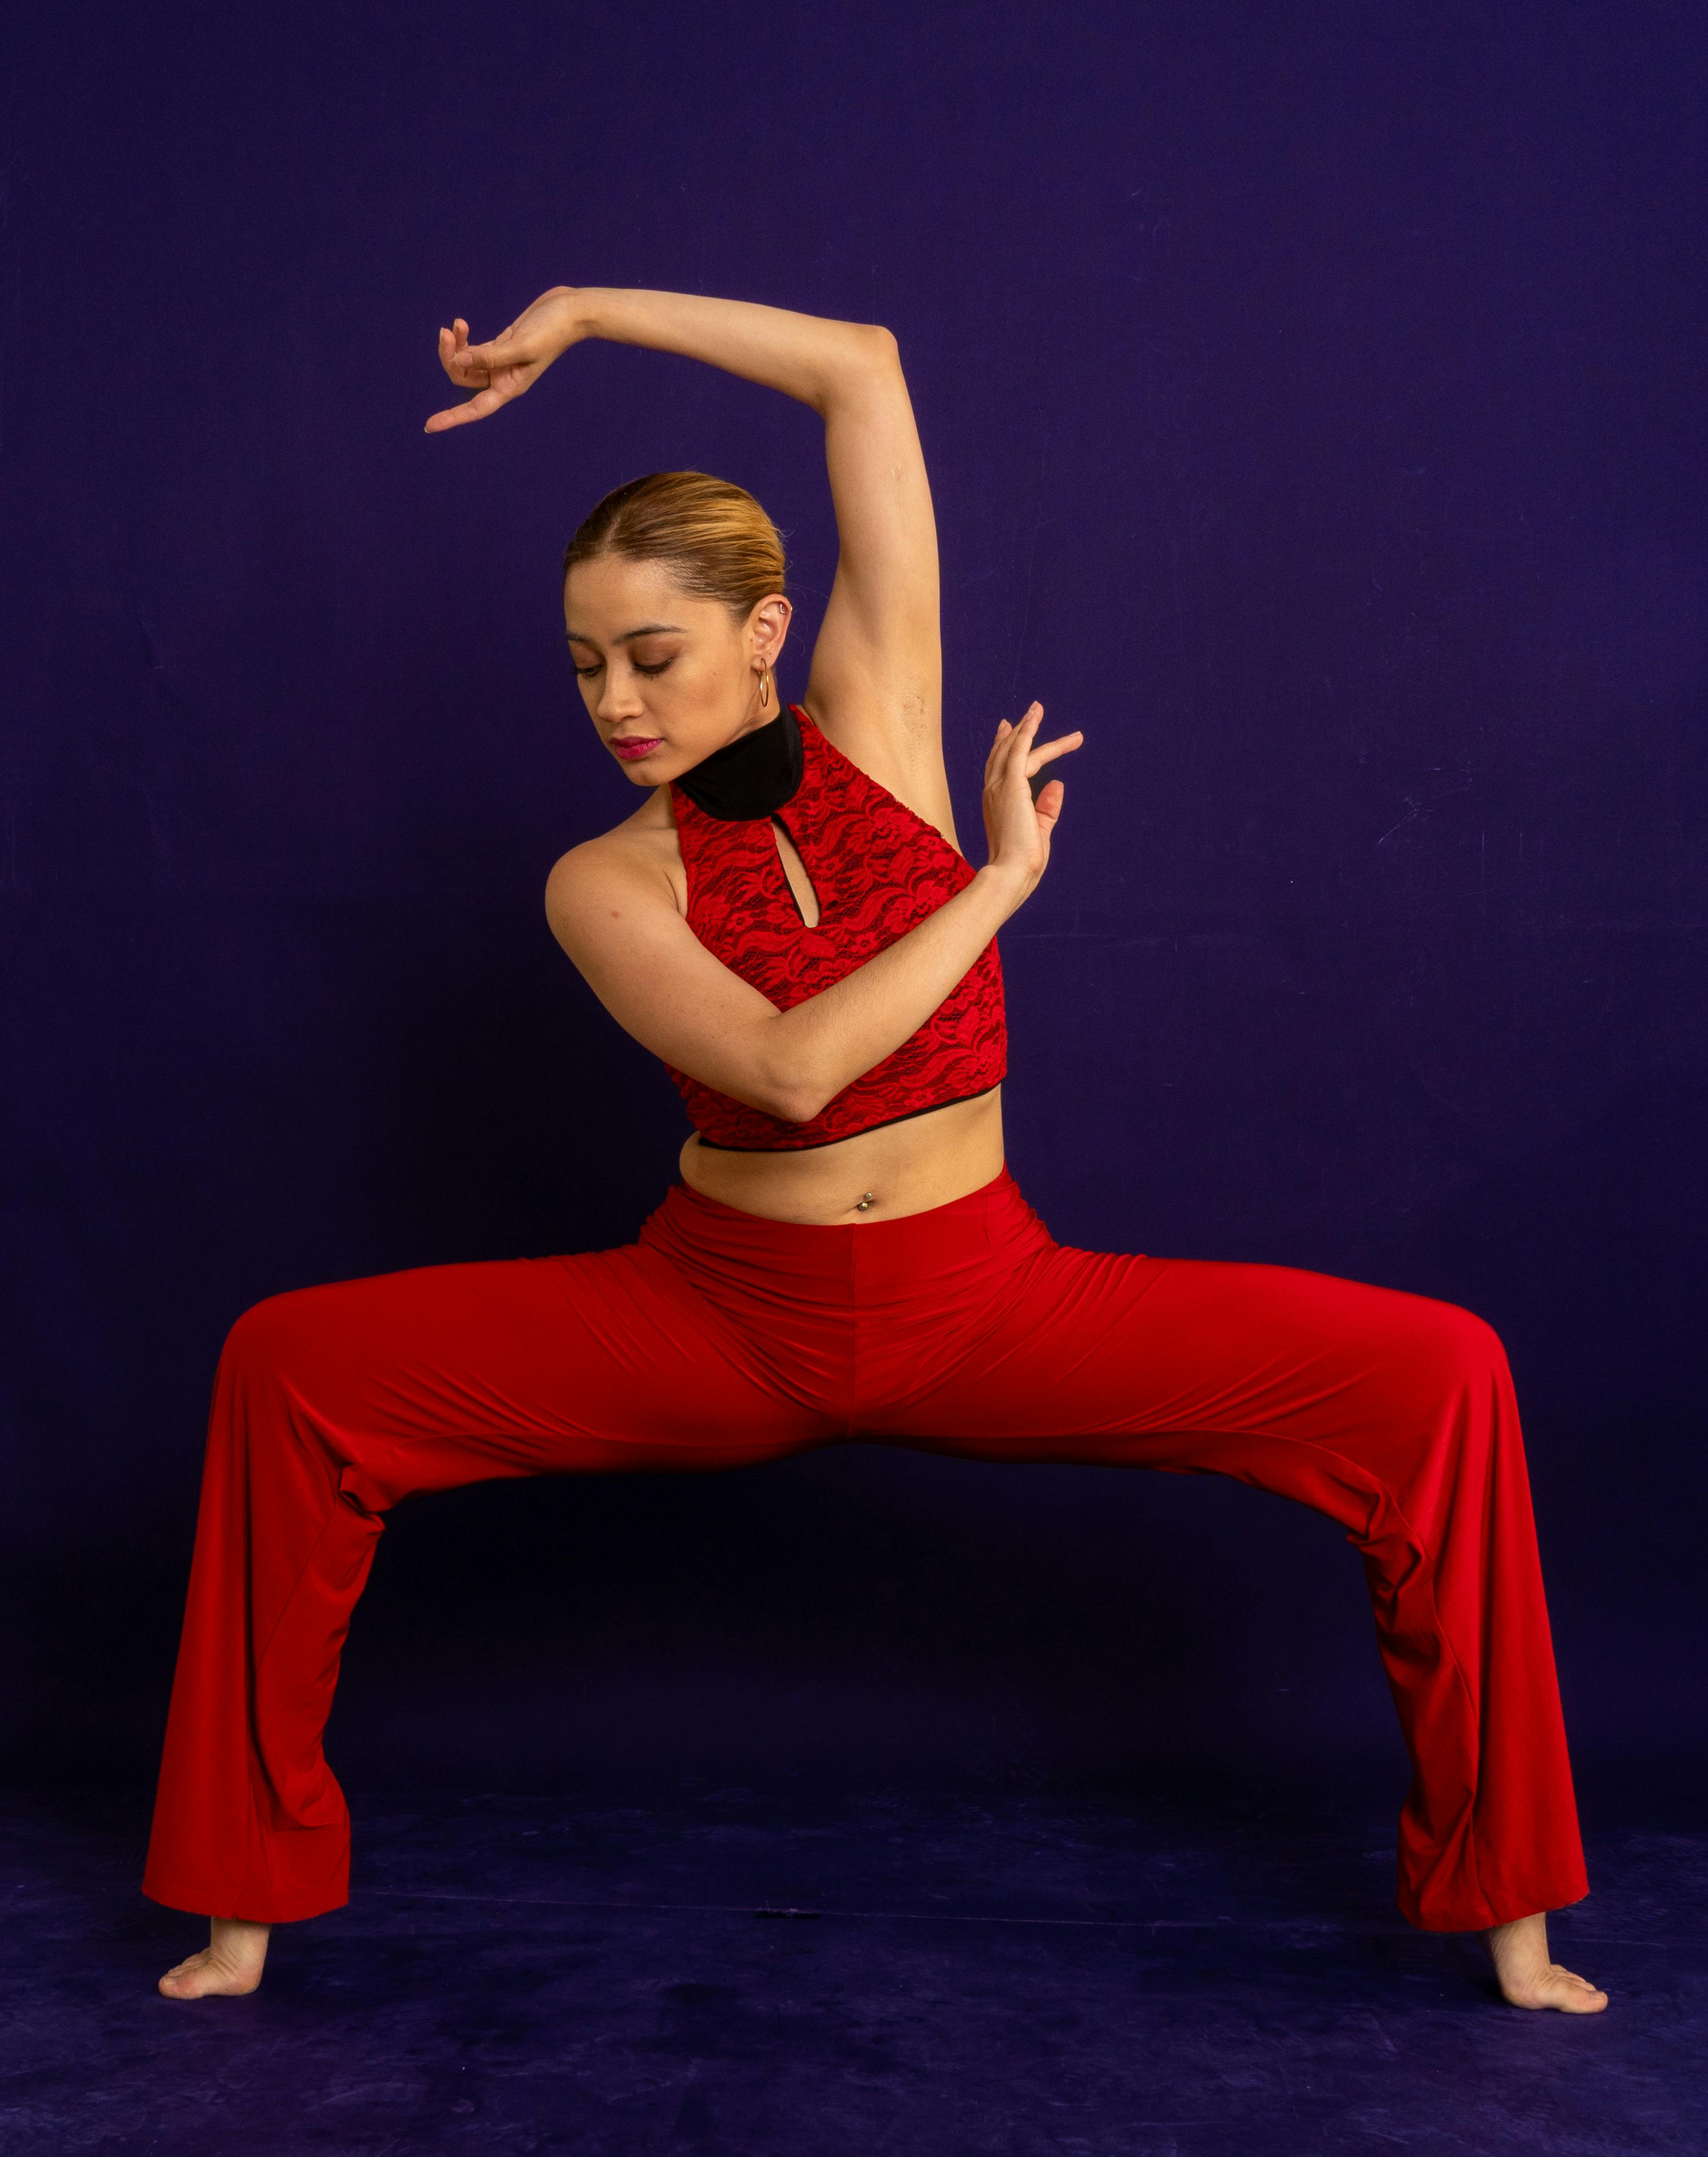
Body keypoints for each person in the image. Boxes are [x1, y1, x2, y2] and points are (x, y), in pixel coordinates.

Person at [147, 288, 1604, 2014]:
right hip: (717, 1316)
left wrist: (588, 315)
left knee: (1444, 1377)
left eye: (653, 656)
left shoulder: (885, 722)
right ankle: (236, 1907)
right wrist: (996, 887)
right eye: (586, 667)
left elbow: (863, 369)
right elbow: (788, 1075)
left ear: (766, 628)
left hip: (987, 1297)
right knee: (288, 1371)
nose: (615, 702)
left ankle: (1514, 1918)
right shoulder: (606, 877)